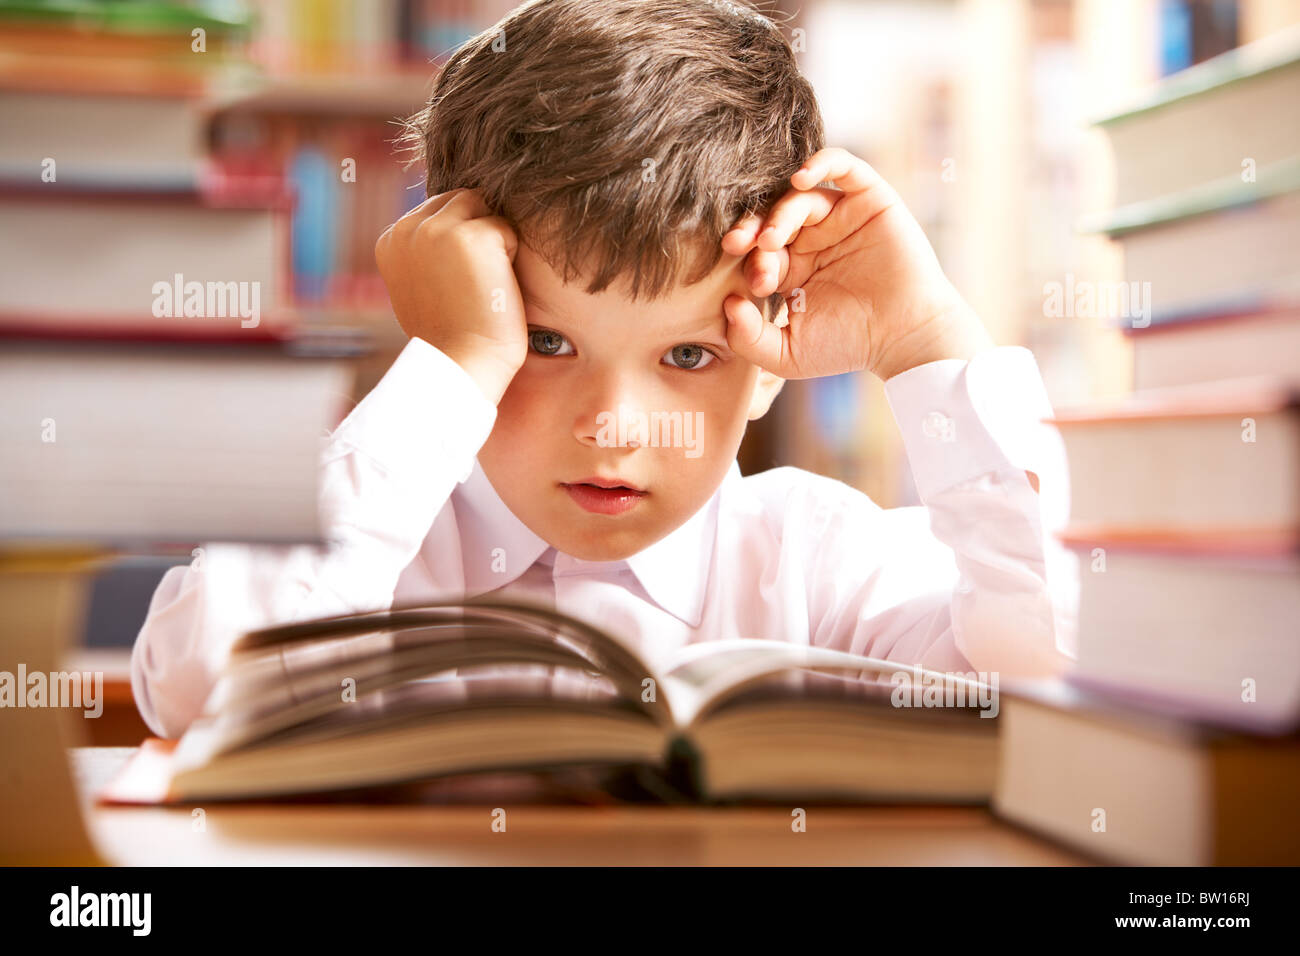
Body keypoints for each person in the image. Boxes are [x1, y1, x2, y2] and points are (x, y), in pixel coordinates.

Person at [131, 0, 1074, 739]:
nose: (616, 428)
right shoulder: (380, 550)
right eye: (544, 343)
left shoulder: (820, 561)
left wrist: (926, 339)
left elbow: (1054, 683)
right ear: (455, 313)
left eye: (689, 355)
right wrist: (451, 370)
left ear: (773, 356)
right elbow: (200, 685)